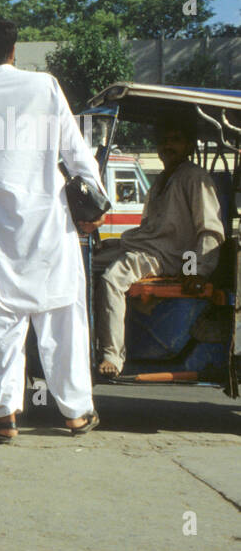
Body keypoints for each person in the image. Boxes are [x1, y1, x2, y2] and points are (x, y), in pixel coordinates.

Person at [0, 17, 105, 442]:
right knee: (60, 316)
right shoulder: (45, 87)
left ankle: (4, 416)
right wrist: (96, 202)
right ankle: (76, 413)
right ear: (14, 51)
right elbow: (75, 152)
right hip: (49, 223)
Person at [92, 113, 223, 376]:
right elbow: (150, 228)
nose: (168, 146)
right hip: (148, 248)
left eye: (176, 140)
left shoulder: (194, 178)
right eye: (164, 141)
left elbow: (210, 230)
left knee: (110, 280)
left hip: (167, 256)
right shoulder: (162, 180)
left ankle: (112, 356)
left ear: (188, 145)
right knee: (86, 262)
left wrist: (195, 271)